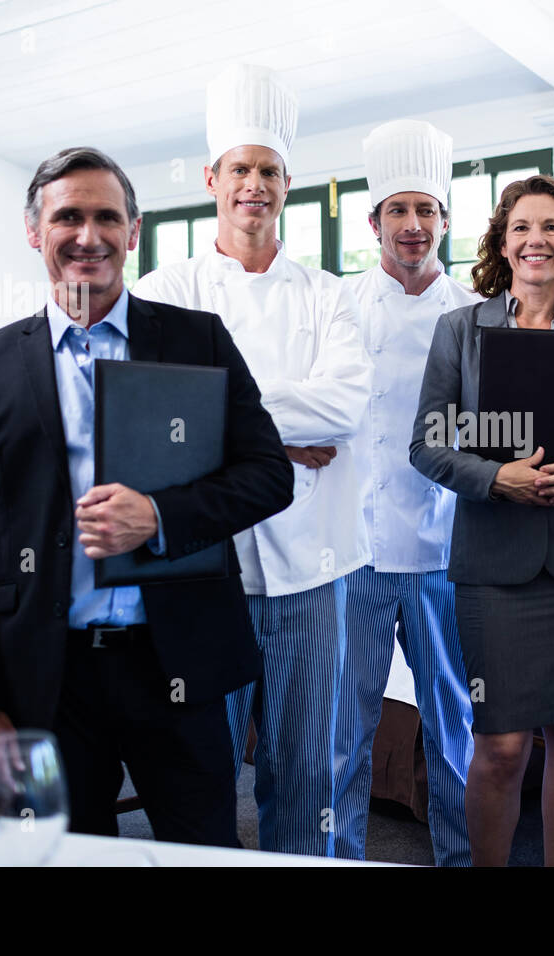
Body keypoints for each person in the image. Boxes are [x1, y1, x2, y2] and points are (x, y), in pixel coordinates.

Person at [0, 146, 294, 846]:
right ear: (35, 231)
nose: (88, 236)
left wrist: (160, 516)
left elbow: (269, 472)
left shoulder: (197, 339)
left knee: (207, 853)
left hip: (175, 664)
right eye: (68, 216)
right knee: (60, 860)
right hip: (45, 681)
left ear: (134, 231)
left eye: (106, 217)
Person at [133, 64, 371, 857]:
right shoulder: (167, 288)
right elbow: (159, 421)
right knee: (204, 776)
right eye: (240, 168)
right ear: (212, 179)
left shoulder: (329, 293)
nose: (255, 185)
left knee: (306, 772)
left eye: (269, 171)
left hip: (315, 572)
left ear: (287, 184)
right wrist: (272, 438)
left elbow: (347, 406)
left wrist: (227, 420)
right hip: (209, 572)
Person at [409, 175, 554, 866]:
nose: (538, 240)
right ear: (503, 244)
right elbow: (426, 444)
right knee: (499, 744)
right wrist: (495, 478)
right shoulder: (460, 332)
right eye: (524, 228)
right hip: (494, 567)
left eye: (552, 228)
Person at [334, 120, 479, 866]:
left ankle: (462, 861)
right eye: (399, 210)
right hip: (356, 551)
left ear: (444, 221)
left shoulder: (476, 313)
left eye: (426, 210)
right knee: (344, 733)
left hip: (442, 554)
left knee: (453, 730)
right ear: (374, 223)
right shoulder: (339, 308)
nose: (413, 225)